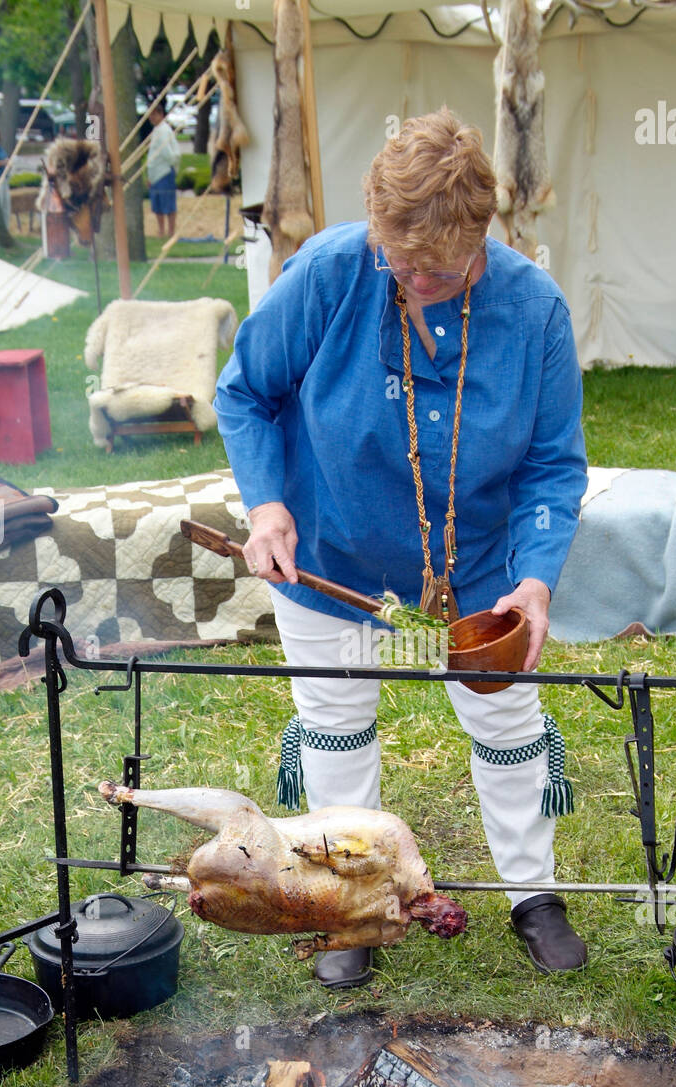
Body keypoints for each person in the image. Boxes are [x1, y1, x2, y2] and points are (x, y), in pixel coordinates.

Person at [215, 108, 588, 989]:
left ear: (482, 236)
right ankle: (348, 904)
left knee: (507, 719)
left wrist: (533, 581)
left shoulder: (534, 311)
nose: (416, 278)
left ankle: (531, 893)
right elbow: (246, 392)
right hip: (334, 557)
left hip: (480, 566)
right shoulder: (329, 273)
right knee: (336, 722)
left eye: (440, 267)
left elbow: (551, 463)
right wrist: (268, 508)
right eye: (400, 259)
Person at [146, 103, 180, 239]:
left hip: (164, 173)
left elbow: (167, 153)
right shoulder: (156, 130)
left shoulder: (164, 130)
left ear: (160, 114)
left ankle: (171, 232)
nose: (151, 118)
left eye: (153, 114)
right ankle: (161, 231)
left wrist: (172, 166)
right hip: (155, 175)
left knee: (168, 204)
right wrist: (150, 176)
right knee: (158, 205)